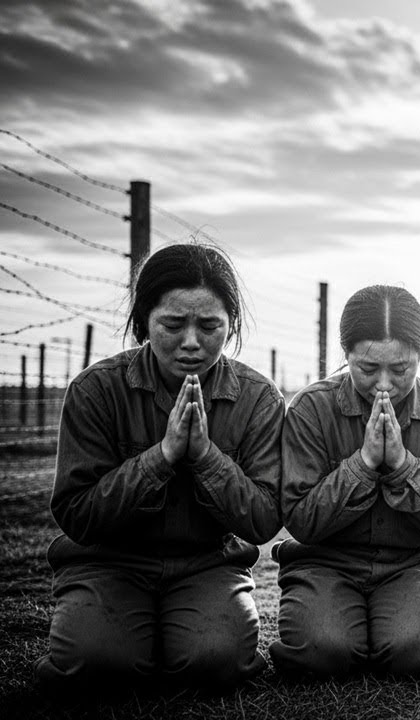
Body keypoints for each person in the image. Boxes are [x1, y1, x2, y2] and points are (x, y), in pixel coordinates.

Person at [35, 244, 282, 691]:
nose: (191, 342)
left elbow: (264, 519)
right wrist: (162, 457)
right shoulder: (96, 391)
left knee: (217, 661)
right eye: (172, 324)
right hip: (107, 563)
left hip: (208, 564)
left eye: (210, 326)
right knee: (94, 663)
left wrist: (206, 458)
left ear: (232, 325)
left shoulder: (257, 398)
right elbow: (77, 516)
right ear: (144, 321)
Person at [270, 286, 420, 678]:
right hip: (324, 562)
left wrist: (401, 465)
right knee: (320, 652)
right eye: (366, 368)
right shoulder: (312, 408)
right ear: (346, 355)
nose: (383, 385)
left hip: (411, 562)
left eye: (400, 369)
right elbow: (301, 520)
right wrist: (362, 465)